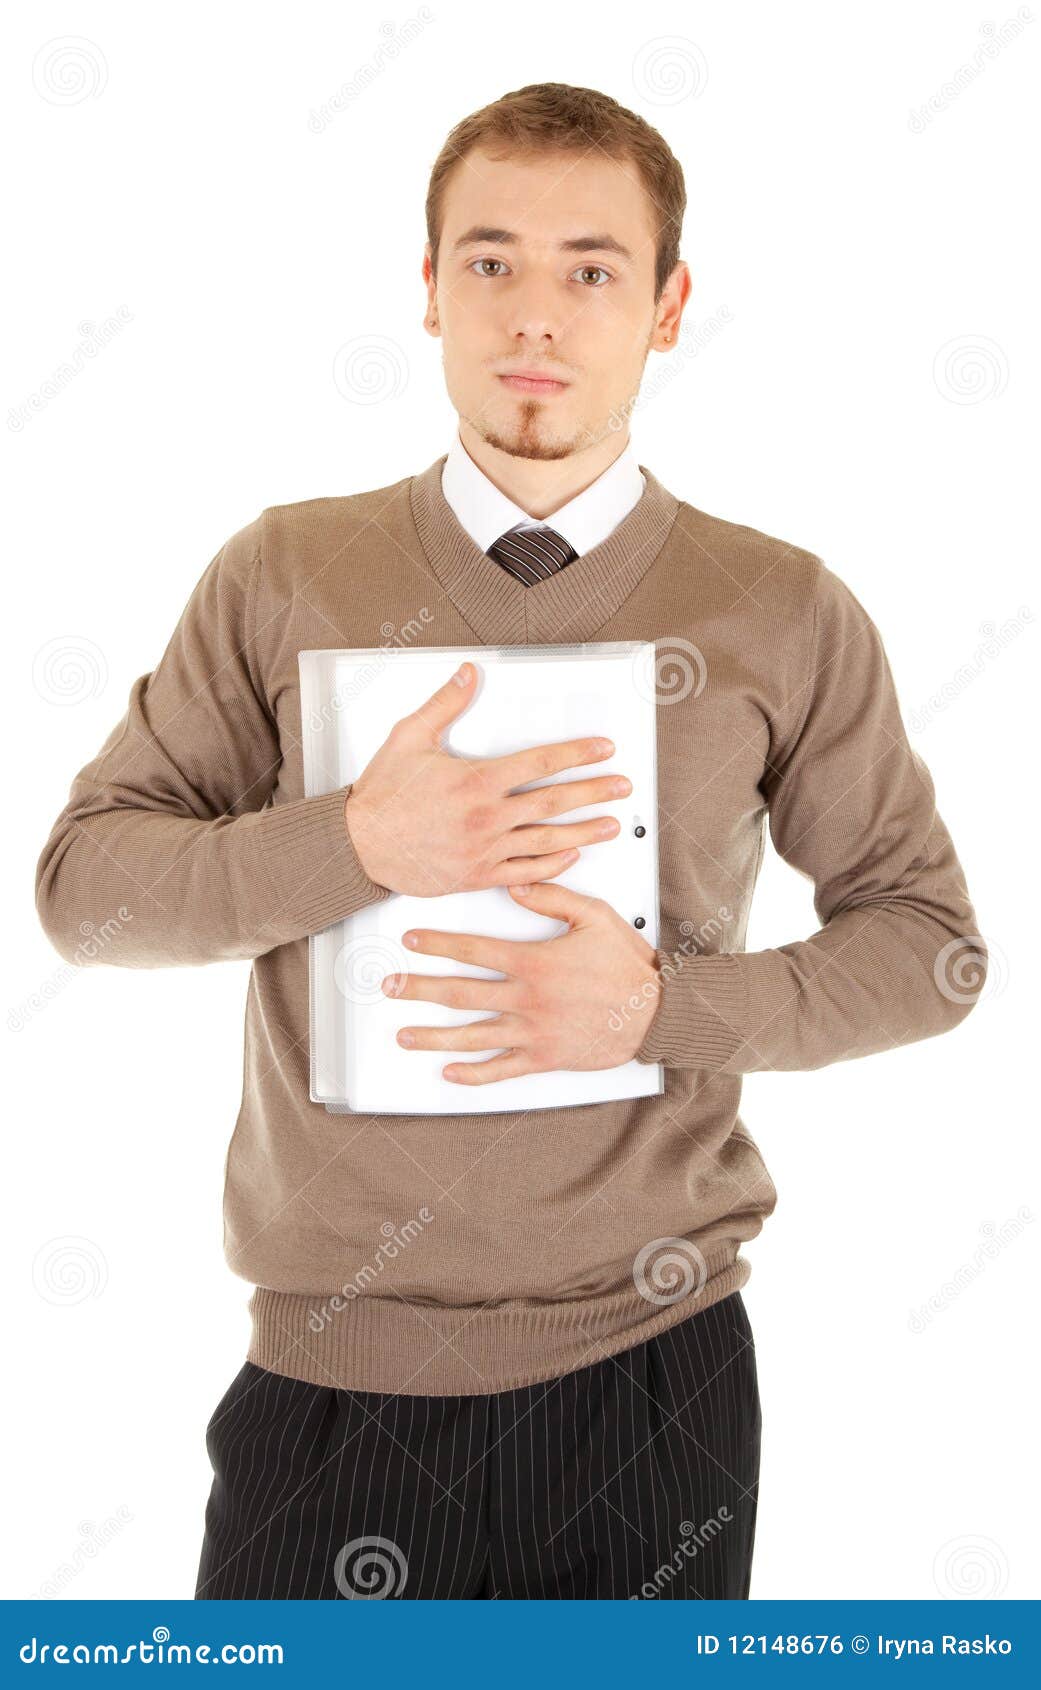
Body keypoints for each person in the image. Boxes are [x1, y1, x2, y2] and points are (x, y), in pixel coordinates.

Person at [34, 82, 986, 1601]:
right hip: (329, 1381)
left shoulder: (779, 607)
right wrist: (352, 838)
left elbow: (927, 951)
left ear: (667, 308)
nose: (533, 314)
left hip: (649, 1375)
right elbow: (86, 893)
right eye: (488, 261)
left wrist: (663, 1008)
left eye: (590, 269)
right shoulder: (284, 568)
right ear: (426, 292)